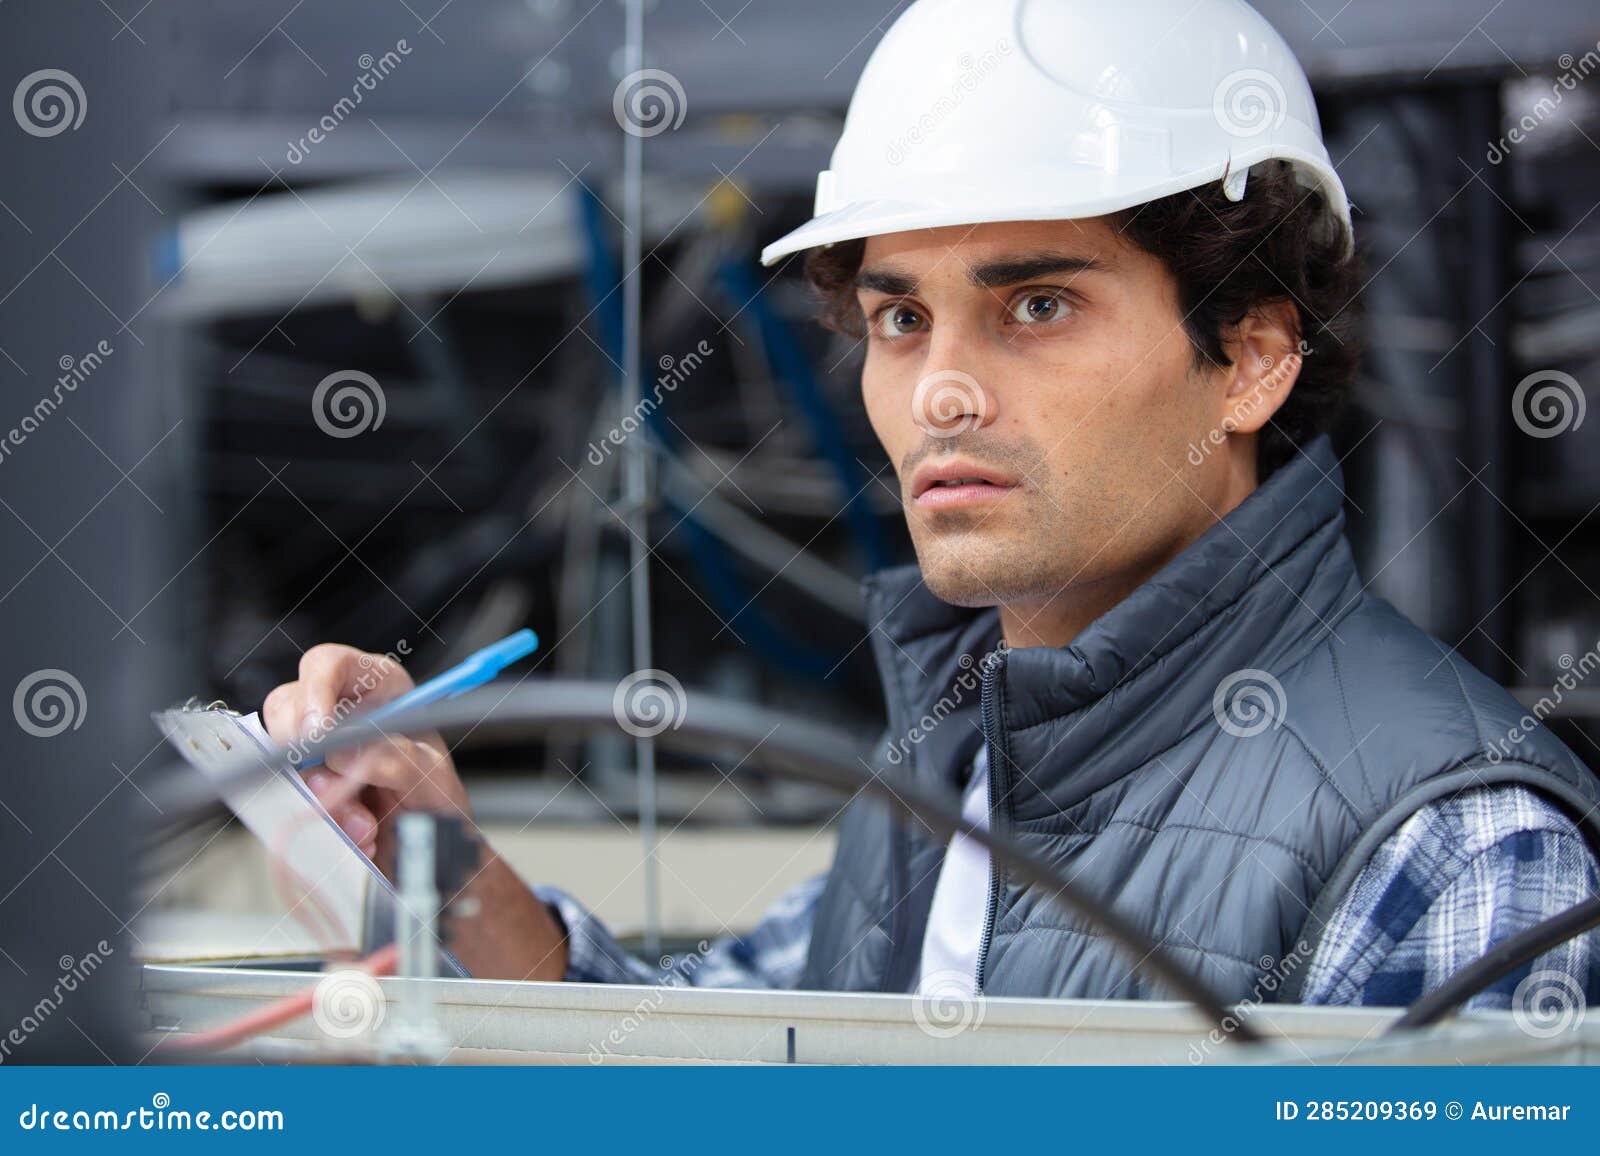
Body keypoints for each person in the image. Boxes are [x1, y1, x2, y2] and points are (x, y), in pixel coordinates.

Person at [264, 0, 1600, 1010]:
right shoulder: (953, 767)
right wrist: (438, 865)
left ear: (1249, 355)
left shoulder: (1457, 850)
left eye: (1036, 304)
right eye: (901, 316)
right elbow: (705, 1073)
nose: (942, 393)